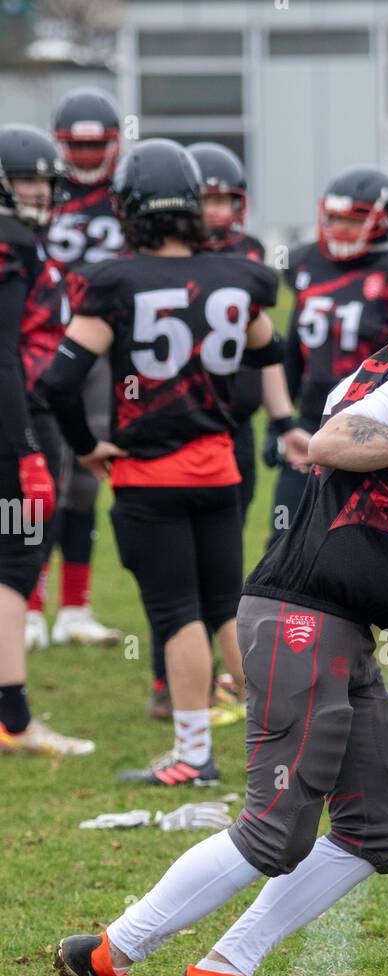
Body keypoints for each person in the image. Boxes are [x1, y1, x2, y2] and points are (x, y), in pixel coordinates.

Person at [52, 299, 388, 976]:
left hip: (346, 631)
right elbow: (331, 440)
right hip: (301, 615)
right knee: (273, 830)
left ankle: (217, 975)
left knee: (375, 831)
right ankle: (106, 953)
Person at [41, 138, 295, 789]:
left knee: (178, 615)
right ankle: (279, 742)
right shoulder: (240, 274)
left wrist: (86, 443)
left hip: (151, 480)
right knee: (224, 605)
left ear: (129, 208)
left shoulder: (113, 282)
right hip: (220, 470)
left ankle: (193, 753)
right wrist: (284, 416)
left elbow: (59, 383)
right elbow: (274, 350)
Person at [144, 142, 294, 723]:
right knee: (177, 570)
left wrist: (278, 418)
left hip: (233, 427)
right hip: (176, 428)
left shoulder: (247, 256)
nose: (213, 211)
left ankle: (227, 679)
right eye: (203, 199)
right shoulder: (164, 260)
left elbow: (264, 341)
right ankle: (174, 683)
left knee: (220, 560)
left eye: (223, 199)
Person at [270, 166, 388, 542]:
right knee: (284, 542)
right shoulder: (308, 264)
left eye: (350, 220)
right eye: (332, 217)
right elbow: (291, 354)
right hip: (308, 423)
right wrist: (280, 428)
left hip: (368, 421)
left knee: (354, 543)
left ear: (383, 222)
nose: (338, 228)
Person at [0, 123, 94, 757]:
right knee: (14, 563)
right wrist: (26, 447)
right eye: (27, 179)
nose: (39, 191)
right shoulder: (14, 244)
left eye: (43, 180)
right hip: (14, 423)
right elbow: (3, 354)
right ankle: (14, 720)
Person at [33, 86, 125, 649]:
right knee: (39, 476)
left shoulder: (129, 193)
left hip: (105, 351)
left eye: (97, 148)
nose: (87, 159)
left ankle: (74, 605)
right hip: (43, 343)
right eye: (78, 148)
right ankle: (27, 602)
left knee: (86, 481)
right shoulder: (41, 190)